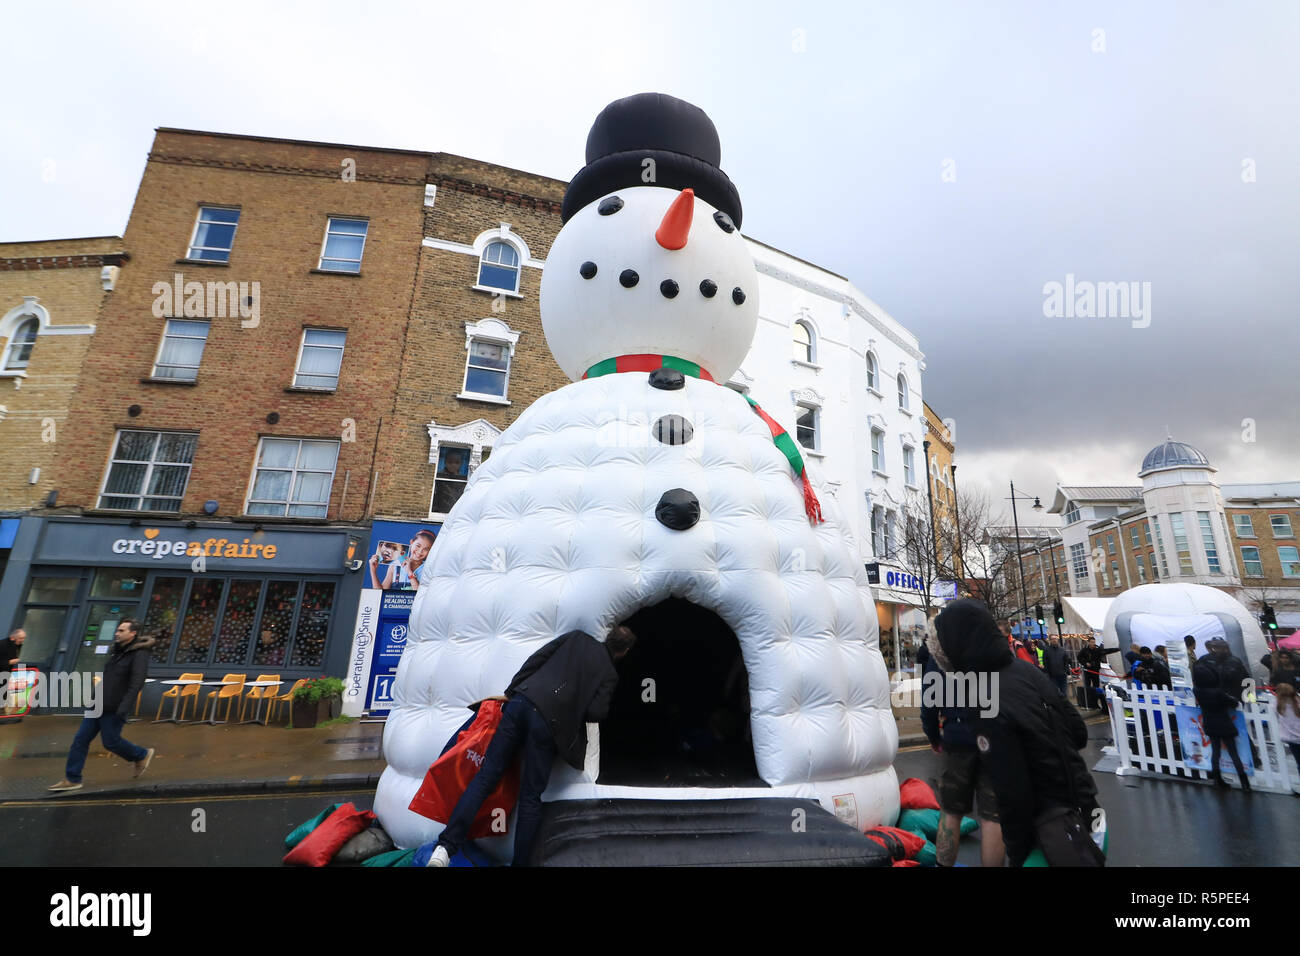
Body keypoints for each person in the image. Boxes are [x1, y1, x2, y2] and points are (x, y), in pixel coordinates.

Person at [429, 625, 637, 867]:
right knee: (530, 797)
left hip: (522, 701)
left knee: (486, 777)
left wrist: (512, 690)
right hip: (550, 724)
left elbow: (537, 659)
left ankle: (445, 848)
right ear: (625, 652)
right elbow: (595, 712)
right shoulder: (609, 673)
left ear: (607, 634)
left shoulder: (576, 637)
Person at [935, 598, 1104, 867]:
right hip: (1087, 810)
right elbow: (1077, 731)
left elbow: (1013, 793)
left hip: (1051, 831)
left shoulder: (983, 695)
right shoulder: (1026, 670)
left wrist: (1018, 854)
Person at [917, 623, 1005, 867]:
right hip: (991, 736)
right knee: (992, 816)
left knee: (951, 811)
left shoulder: (941, 656)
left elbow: (928, 702)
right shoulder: (989, 652)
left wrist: (934, 737)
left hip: (956, 736)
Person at [48, 620, 156, 793]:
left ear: (133, 633)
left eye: (121, 630)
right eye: (117, 630)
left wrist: (124, 707)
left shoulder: (139, 655)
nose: (117, 633)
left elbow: (136, 683)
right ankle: (72, 778)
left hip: (114, 706)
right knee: (80, 740)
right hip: (97, 704)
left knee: (111, 742)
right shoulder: (118, 651)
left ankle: (141, 755)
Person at [1192, 638, 1251, 791]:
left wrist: (1249, 700)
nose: (1217, 650)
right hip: (1222, 705)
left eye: (1220, 647)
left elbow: (1247, 678)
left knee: (1240, 738)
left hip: (1231, 701)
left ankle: (1250, 762)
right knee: (1228, 749)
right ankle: (1240, 781)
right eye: (1215, 647)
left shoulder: (1234, 661)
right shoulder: (1205, 661)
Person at [1272, 683, 1300, 789]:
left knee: (1299, 762)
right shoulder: (1297, 702)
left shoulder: (1278, 706)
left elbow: (1273, 709)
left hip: (1292, 739)